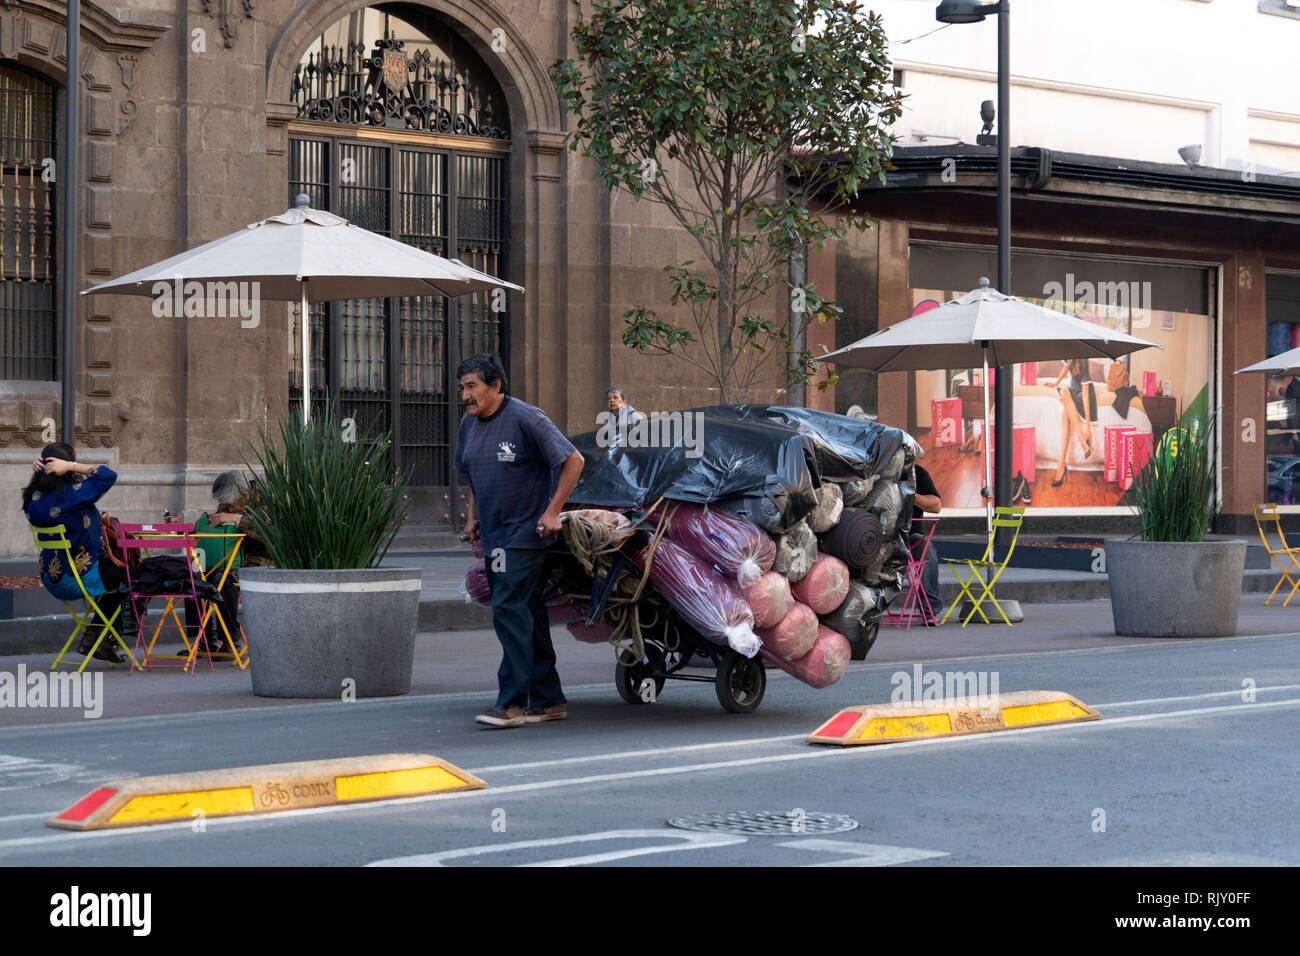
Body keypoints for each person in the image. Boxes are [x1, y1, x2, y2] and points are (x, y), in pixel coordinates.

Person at [456, 353, 585, 729]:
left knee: (509, 608)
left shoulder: (527, 417)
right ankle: (549, 700)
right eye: (462, 387)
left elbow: (573, 460)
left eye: (472, 386)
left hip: (527, 535)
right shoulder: (469, 424)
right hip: (495, 537)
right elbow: (472, 473)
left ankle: (512, 703)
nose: (465, 395)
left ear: (496, 386)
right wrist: (472, 517)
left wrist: (552, 511)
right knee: (526, 612)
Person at [21, 443, 131, 662]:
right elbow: (108, 475)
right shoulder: (73, 495)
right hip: (80, 577)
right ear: (63, 467)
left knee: (116, 578)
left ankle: (98, 637)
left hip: (52, 579)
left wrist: (39, 472)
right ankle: (101, 639)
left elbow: (45, 492)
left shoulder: (33, 499)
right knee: (132, 579)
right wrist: (72, 465)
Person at [1050, 358, 1096, 486]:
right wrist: (1056, 383)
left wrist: (1088, 427)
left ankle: (1081, 441)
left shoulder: (1083, 360)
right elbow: (1065, 368)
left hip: (1084, 395)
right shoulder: (1069, 353)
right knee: (1065, 413)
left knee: (1064, 391)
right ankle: (1062, 462)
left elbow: (1086, 394)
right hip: (1074, 393)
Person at [910, 463, 943, 626]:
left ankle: (929, 609)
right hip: (877, 535)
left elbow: (936, 505)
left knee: (925, 547)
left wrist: (911, 495)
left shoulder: (916, 472)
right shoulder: (875, 470)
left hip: (910, 537)